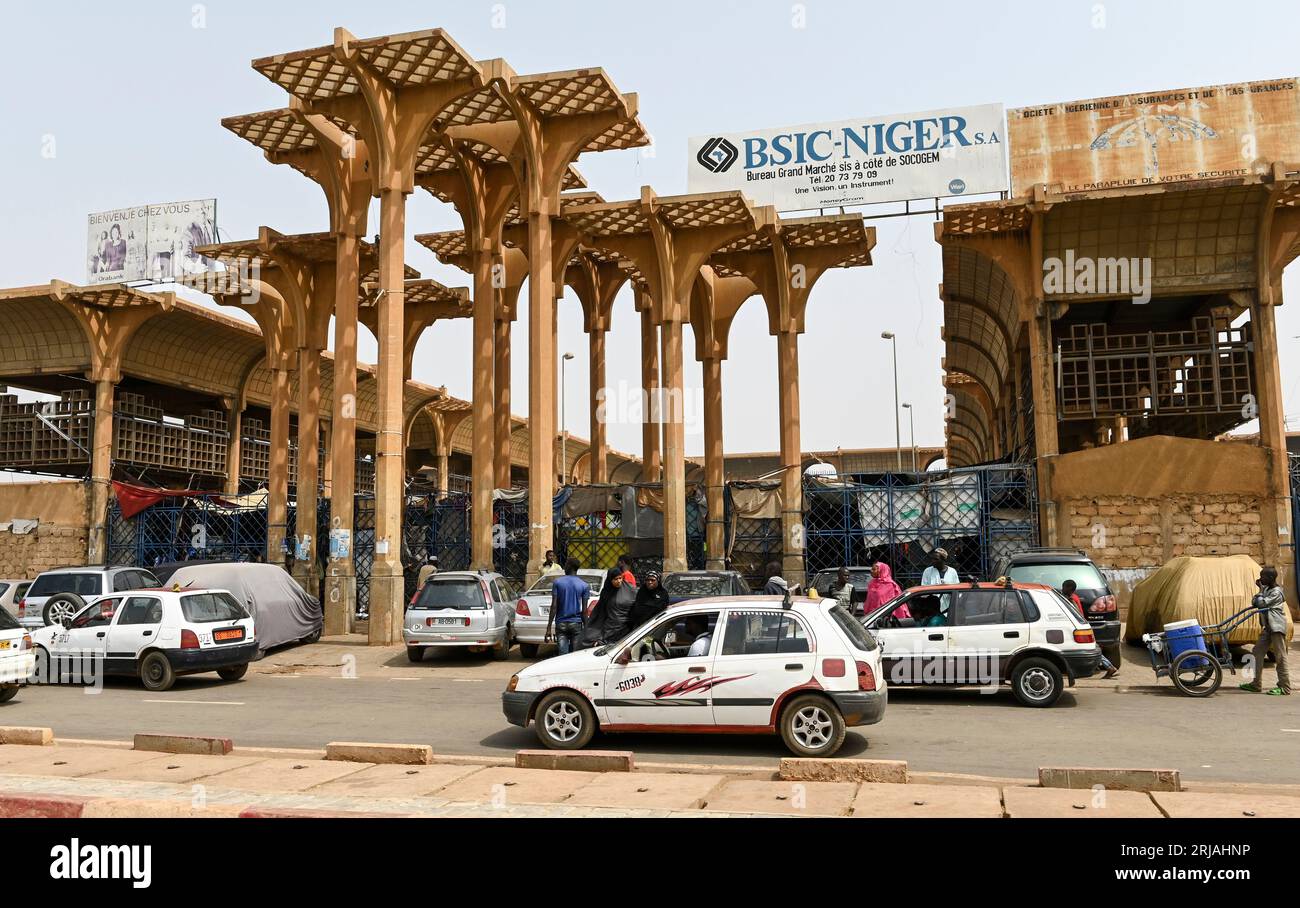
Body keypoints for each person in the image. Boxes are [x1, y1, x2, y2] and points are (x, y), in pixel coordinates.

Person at [1240, 566, 1291, 695]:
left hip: (1277, 627)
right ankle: (1256, 684)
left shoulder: (1276, 592)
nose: (1260, 578)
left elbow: (1261, 603)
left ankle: (1284, 687)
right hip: (1268, 627)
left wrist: (1260, 592)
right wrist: (1260, 592)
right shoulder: (1267, 589)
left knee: (1280, 657)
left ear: (1270, 578)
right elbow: (1255, 601)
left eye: (1263, 576)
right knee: (1257, 651)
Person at [1063, 579, 1117, 679]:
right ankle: (1108, 666)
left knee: (1089, 648)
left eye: (1064, 587)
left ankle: (1109, 667)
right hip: (1081, 626)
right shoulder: (1073, 597)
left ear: (1069, 589)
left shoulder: (1070, 599)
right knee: (1089, 648)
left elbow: (1075, 614)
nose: (1062, 589)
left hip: (1078, 627)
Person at [544, 558, 590, 656]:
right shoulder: (584, 585)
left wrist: (548, 628)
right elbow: (584, 611)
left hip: (561, 623)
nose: (564, 567)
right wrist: (587, 628)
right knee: (575, 655)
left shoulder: (557, 583)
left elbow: (554, 606)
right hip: (576, 623)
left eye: (565, 565)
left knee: (562, 655)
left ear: (569, 566)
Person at [589, 566, 637, 645]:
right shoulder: (606, 592)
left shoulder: (630, 589)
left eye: (620, 578)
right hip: (609, 631)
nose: (619, 581)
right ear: (610, 580)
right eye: (615, 579)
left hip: (626, 630)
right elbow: (601, 612)